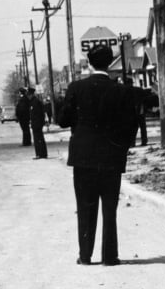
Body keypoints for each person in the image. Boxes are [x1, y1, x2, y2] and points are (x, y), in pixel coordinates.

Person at [57, 45, 138, 266]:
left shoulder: (76, 88)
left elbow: (62, 120)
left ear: (90, 62)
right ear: (110, 62)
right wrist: (122, 147)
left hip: (83, 157)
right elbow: (132, 125)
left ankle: (85, 256)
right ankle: (110, 256)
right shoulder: (121, 91)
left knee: (85, 206)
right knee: (109, 209)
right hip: (111, 157)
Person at [122, 76, 148, 147]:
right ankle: (144, 141)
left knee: (132, 128)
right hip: (140, 110)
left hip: (131, 112)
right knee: (142, 126)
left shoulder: (124, 91)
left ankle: (132, 143)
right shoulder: (139, 90)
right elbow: (145, 100)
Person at [27, 87, 47, 159]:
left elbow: (38, 114)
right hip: (36, 123)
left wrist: (38, 123)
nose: (28, 97)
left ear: (31, 94)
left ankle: (40, 154)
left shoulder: (35, 102)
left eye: (29, 95)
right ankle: (41, 153)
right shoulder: (33, 102)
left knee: (38, 139)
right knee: (38, 139)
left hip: (37, 123)